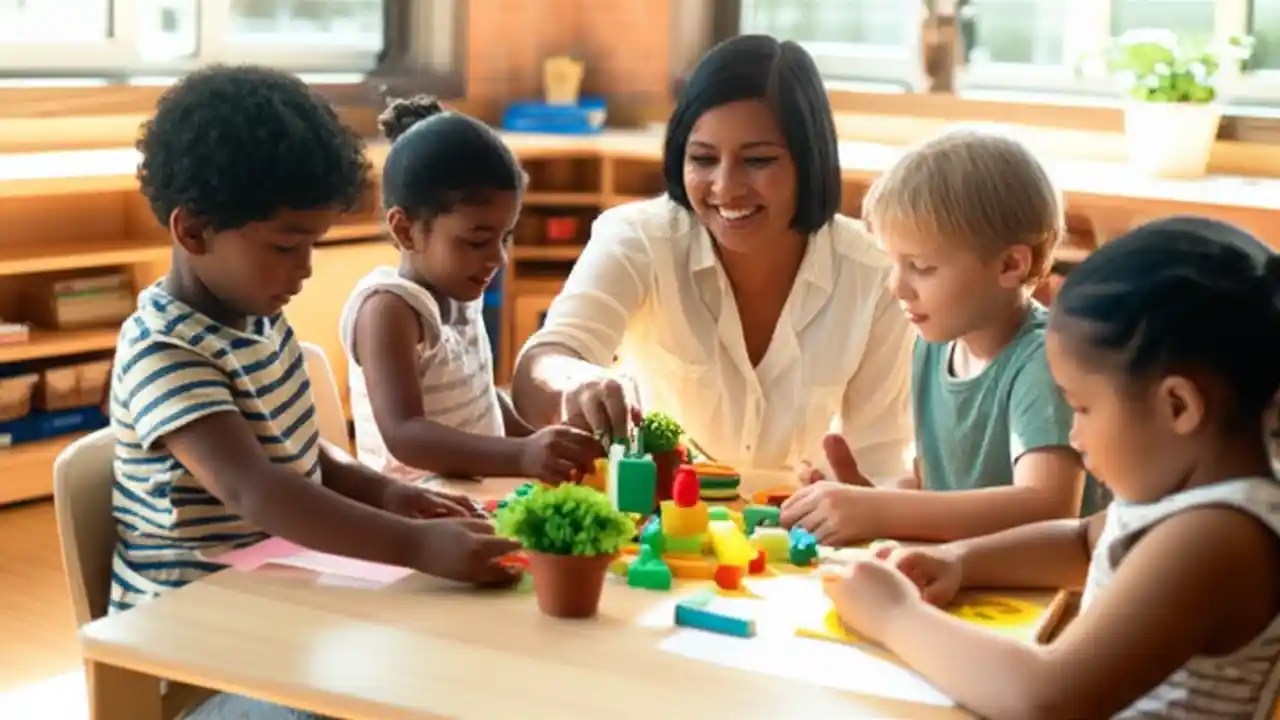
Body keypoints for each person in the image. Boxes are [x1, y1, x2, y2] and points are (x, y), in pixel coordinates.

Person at [825, 217, 1280, 719]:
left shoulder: (1215, 536)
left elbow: (1046, 698)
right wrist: (960, 560)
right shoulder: (1185, 495)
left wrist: (893, 616)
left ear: (1177, 407)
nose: (1073, 435)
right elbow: (1084, 544)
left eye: (1081, 408)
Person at [111, 65, 523, 613]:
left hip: (281, 599)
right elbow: (255, 489)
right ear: (194, 231)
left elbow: (297, 456)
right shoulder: (164, 351)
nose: (304, 270)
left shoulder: (258, 321)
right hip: (192, 632)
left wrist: (387, 495)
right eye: (286, 248)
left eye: (313, 246)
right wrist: (413, 543)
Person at [511, 34, 915, 494]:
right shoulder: (639, 239)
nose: (725, 187)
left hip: (805, 535)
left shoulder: (873, 273)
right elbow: (538, 369)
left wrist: (864, 507)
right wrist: (577, 379)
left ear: (810, 161)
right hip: (656, 532)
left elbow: (879, 459)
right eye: (702, 159)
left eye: (758, 160)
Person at [780, 129, 1090, 545]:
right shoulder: (934, 345)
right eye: (894, 263)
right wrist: (859, 496)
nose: (896, 287)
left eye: (921, 267)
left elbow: (1049, 505)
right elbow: (938, 492)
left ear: (1010, 264)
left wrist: (880, 511)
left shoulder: (1042, 362)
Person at [337, 96, 601, 485]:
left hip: (475, 495)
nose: (499, 258)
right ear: (406, 230)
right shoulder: (389, 309)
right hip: (416, 512)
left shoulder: (461, 295)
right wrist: (521, 455)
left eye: (505, 237)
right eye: (477, 241)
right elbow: (405, 434)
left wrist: (538, 441)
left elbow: (482, 399)